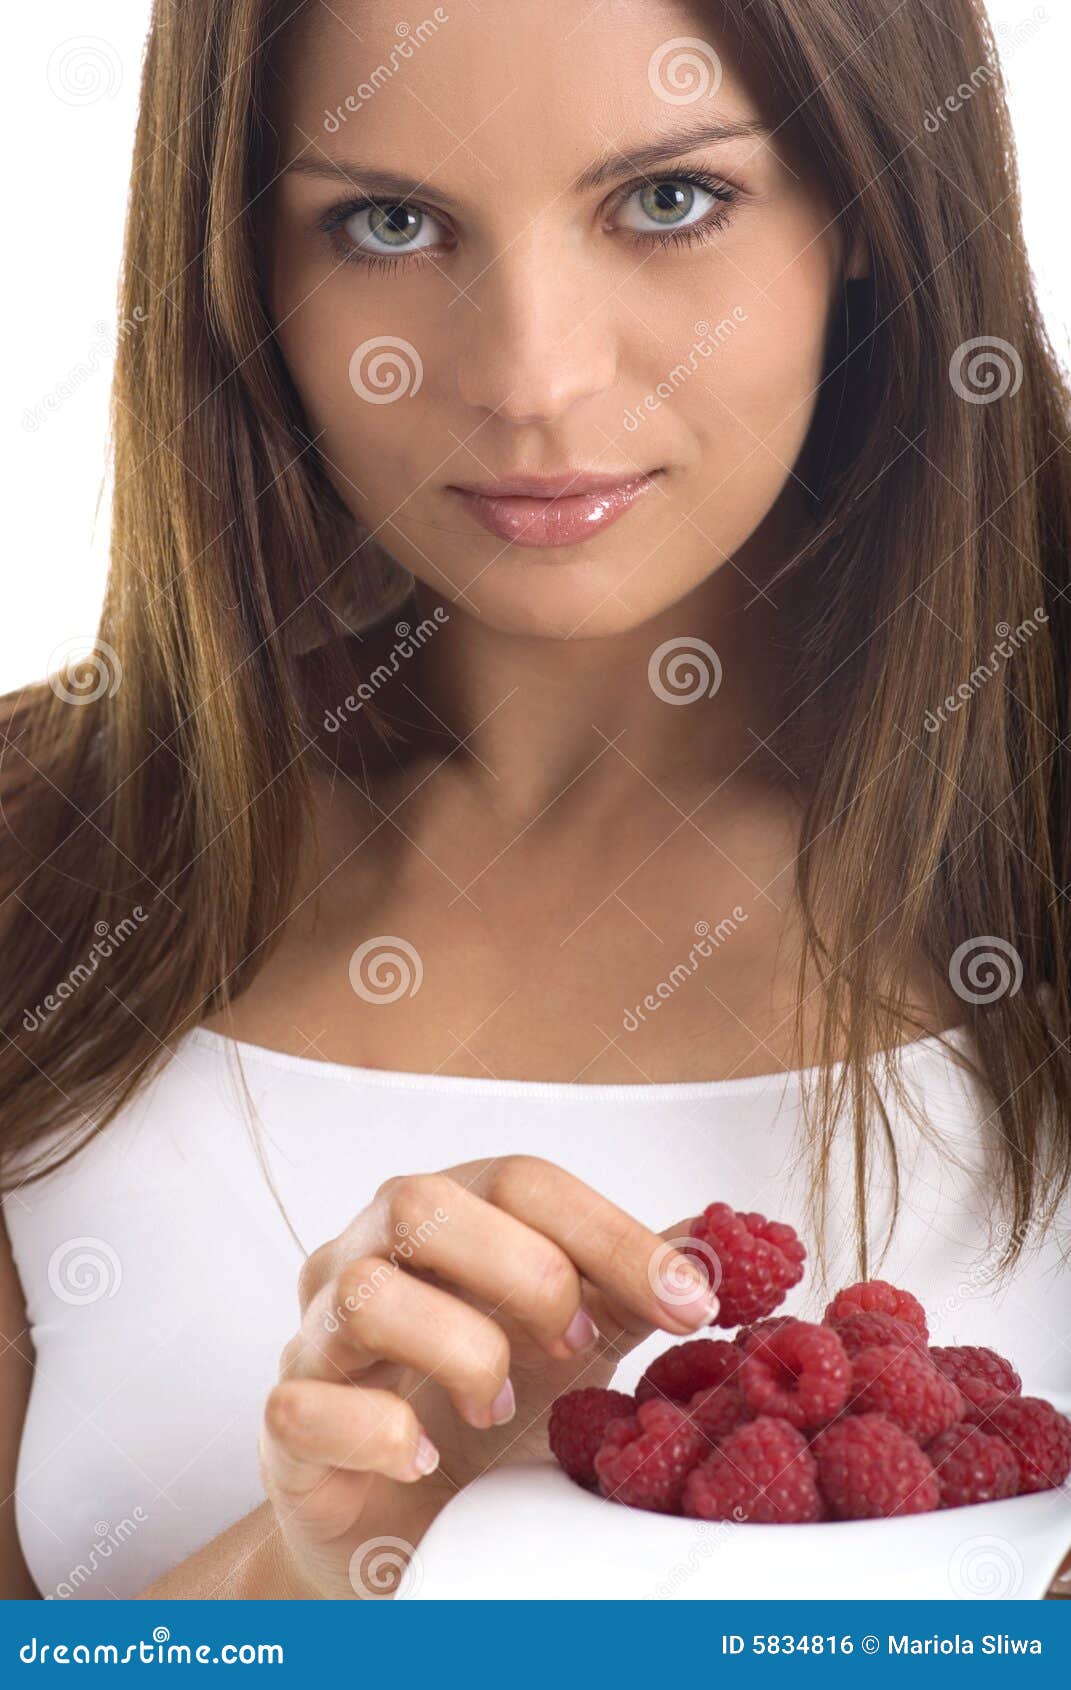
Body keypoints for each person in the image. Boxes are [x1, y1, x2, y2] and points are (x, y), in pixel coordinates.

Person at [1, 0, 1069, 1600]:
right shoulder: (35, 867)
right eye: (387, 220)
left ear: (873, 198)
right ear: (240, 265)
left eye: (667, 201)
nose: (532, 381)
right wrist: (329, 1577)